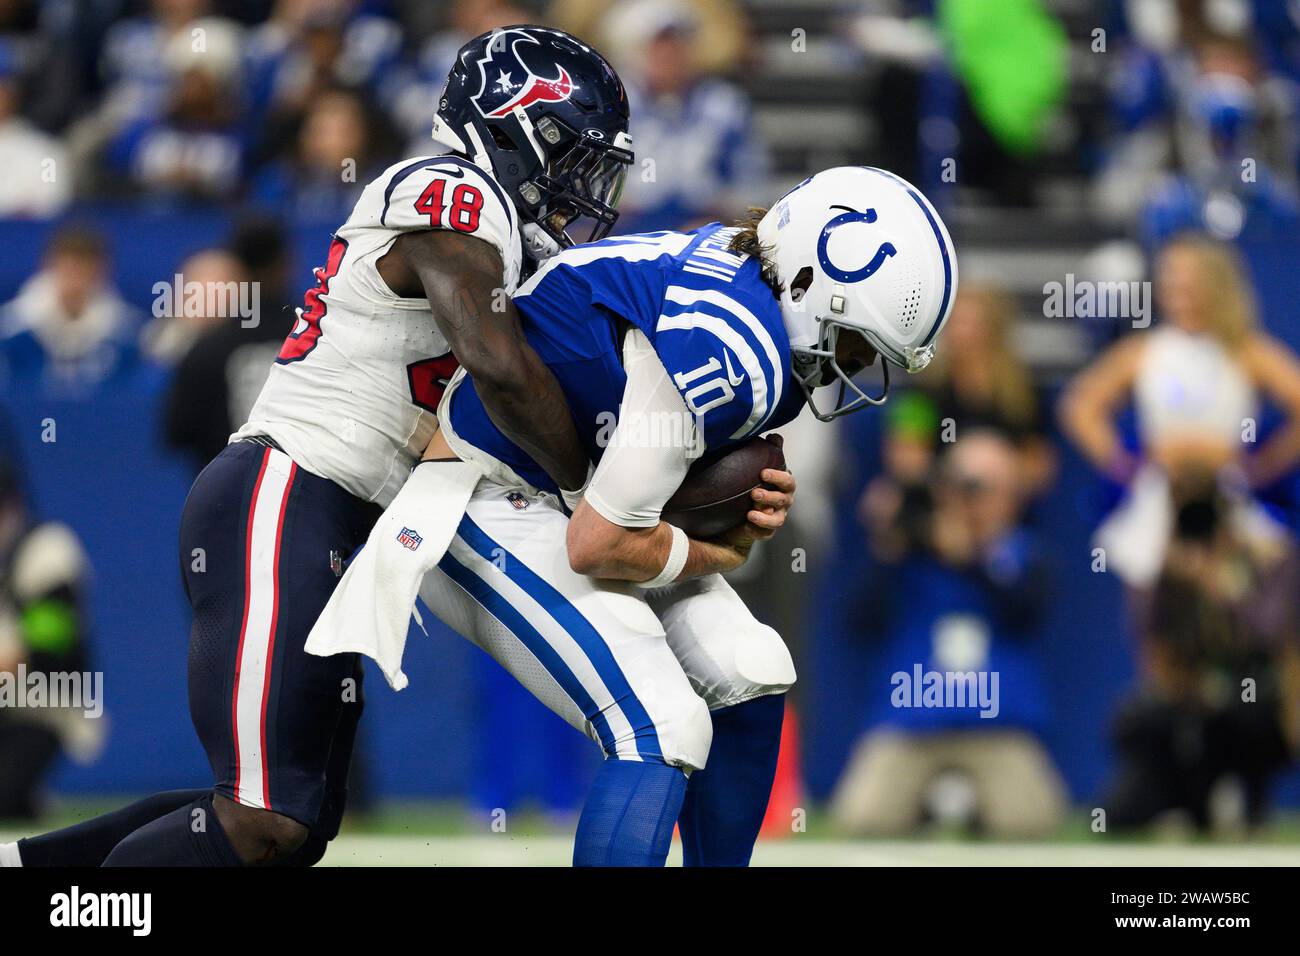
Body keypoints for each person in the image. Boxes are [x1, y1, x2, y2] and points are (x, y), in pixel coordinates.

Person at [2, 25, 634, 868]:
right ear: (512, 131)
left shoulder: (500, 237)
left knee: (290, 823)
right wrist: (599, 489)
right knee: (261, 818)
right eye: (568, 153)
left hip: (330, 518)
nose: (578, 184)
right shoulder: (449, 190)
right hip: (287, 492)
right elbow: (501, 370)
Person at [304, 165, 958, 866]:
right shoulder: (732, 344)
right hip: (482, 493)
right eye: (856, 345)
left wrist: (733, 497)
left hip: (573, 493)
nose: (851, 369)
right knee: (659, 725)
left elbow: (637, 467)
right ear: (807, 285)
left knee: (753, 668)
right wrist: (716, 551)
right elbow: (599, 543)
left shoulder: (753, 291)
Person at [834, 429, 1065, 838]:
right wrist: (888, 544)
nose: (970, 500)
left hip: (997, 727)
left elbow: (1027, 614)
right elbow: (860, 621)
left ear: (1011, 495)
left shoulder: (1023, 553)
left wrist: (972, 556)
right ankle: (931, 805)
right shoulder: (909, 554)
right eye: (960, 485)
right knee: (864, 818)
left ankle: (970, 808)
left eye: (982, 488)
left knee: (1028, 822)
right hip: (912, 724)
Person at [1060, 233, 1300, 591]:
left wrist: (1262, 466)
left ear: (1215, 282)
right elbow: (1079, 406)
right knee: (1158, 608)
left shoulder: (1246, 350)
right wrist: (1122, 464)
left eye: (1187, 277)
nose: (1175, 287)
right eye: (1169, 276)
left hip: (1227, 497)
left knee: (1231, 602)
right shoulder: (1145, 350)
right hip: (1158, 501)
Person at [0, 225, 142, 397]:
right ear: (49, 266)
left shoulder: (125, 332)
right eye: (69, 269)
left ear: (102, 271)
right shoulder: (12, 328)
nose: (75, 280)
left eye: (83, 270)